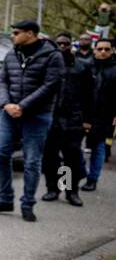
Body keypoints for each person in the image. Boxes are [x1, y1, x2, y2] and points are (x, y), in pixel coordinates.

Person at [0, 19, 62, 222]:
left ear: (30, 34)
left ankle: (27, 204)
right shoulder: (12, 54)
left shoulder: (53, 56)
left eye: (16, 33)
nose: (12, 36)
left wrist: (23, 106)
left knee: (32, 161)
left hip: (37, 115)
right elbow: (2, 81)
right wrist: (6, 104)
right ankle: (5, 199)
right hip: (9, 113)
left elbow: (50, 85)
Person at [40, 34, 93, 206]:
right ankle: (52, 188)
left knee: (71, 156)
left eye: (66, 43)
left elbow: (89, 95)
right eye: (59, 43)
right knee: (50, 156)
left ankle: (70, 191)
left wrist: (87, 119)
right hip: (52, 116)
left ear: (71, 45)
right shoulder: (49, 65)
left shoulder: (82, 67)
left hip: (73, 118)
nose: (62, 46)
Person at [84, 37, 116, 190]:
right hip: (81, 114)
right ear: (94, 50)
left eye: (107, 49)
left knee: (98, 148)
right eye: (100, 49)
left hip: (104, 115)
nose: (103, 52)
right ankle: (67, 182)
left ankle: (92, 179)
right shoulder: (85, 67)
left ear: (112, 51)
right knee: (70, 148)